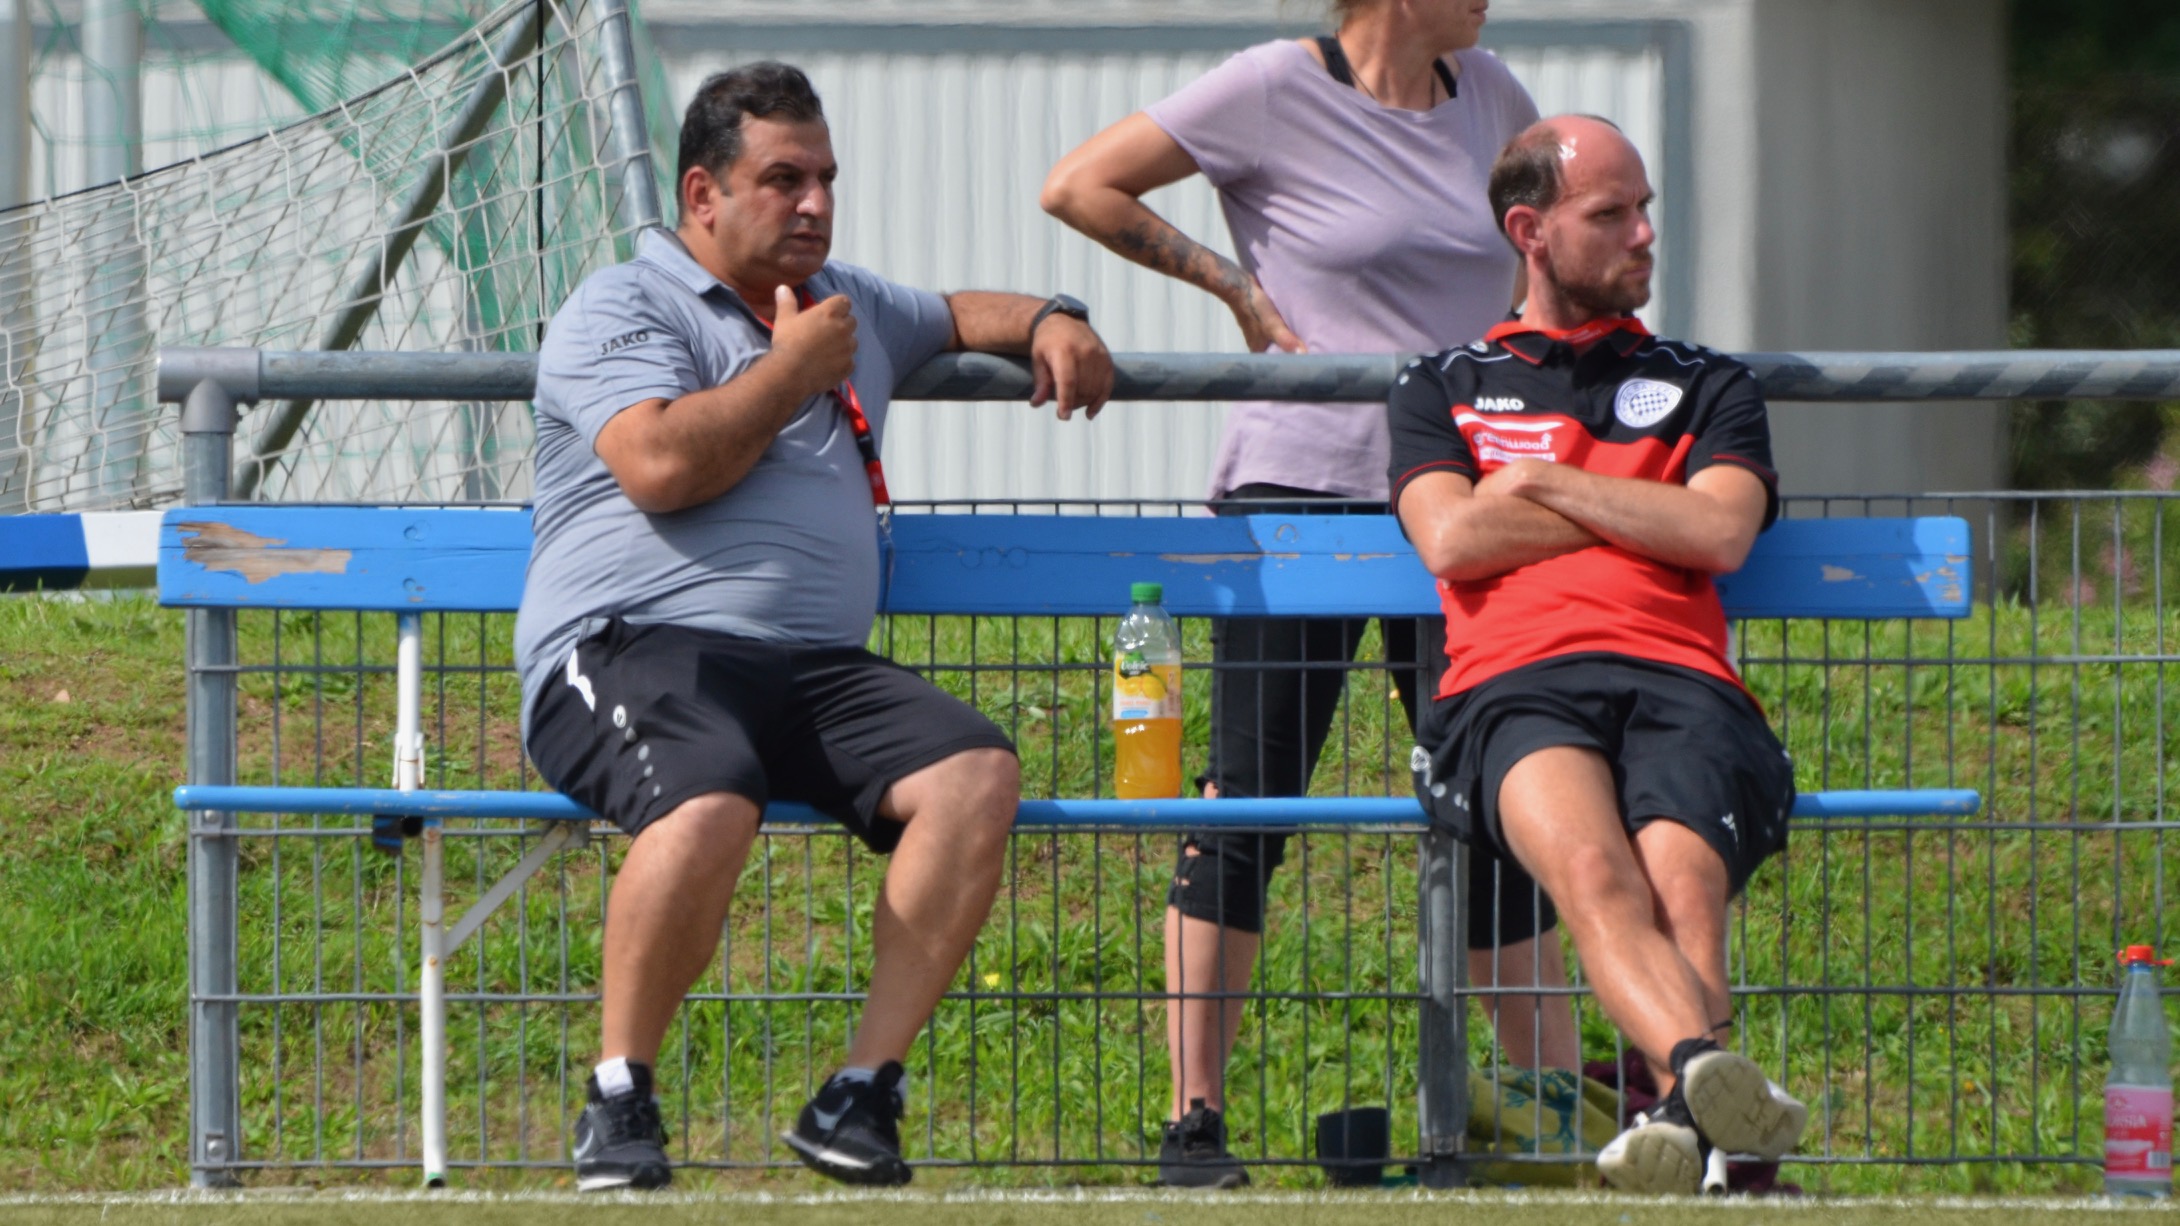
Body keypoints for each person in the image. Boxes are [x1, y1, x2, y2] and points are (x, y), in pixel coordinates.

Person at [514, 61, 1113, 1192]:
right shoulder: (623, 304)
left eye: (826, 178)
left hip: (815, 667)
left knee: (976, 773)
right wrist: (789, 371)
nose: (816, 203)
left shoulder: (845, 301)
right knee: (708, 796)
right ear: (702, 193)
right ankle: (617, 1094)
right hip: (630, 645)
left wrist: (1051, 316)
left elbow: (953, 312)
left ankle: (860, 1091)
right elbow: (658, 467)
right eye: (783, 179)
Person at [1041, 0, 1577, 1187]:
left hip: (1464, 503)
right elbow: (1077, 186)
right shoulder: (1272, 86)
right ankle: (1193, 1123)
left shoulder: (1490, 92)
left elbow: (1542, 253)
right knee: (1247, 799)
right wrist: (1231, 287)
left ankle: (1538, 1120)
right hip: (1297, 498)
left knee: (1498, 797)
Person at [1389, 113, 1811, 1195]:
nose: (1643, 234)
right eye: (1611, 213)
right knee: (1592, 872)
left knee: (1682, 885)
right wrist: (1642, 507)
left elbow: (1719, 532)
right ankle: (1717, 1125)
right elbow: (1453, 539)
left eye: (1645, 210)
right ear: (1530, 232)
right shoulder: (1440, 385)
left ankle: (1678, 1117)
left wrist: (1541, 483)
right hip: (1513, 686)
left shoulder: (1708, 383)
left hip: (1682, 680)